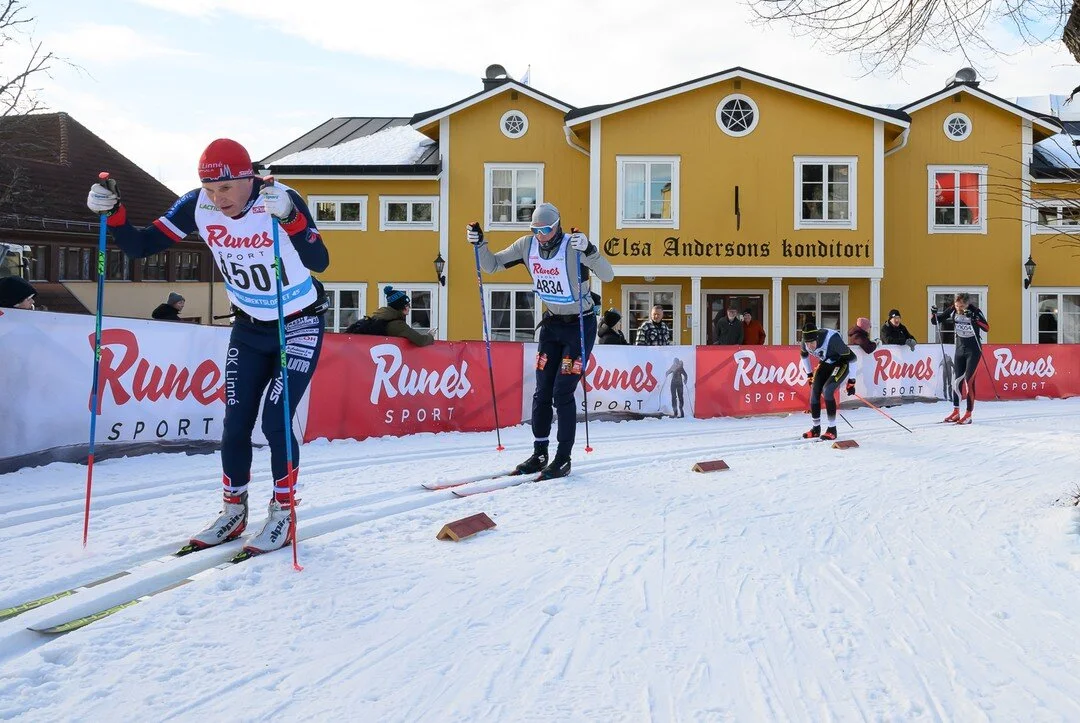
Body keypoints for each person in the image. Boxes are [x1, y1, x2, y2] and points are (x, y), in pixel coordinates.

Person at [86, 138, 331, 555]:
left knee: (275, 420)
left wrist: (290, 219)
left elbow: (319, 259)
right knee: (235, 422)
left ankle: (283, 512)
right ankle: (233, 510)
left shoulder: (279, 197)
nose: (219, 200)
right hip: (249, 328)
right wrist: (114, 213)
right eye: (211, 190)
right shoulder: (196, 205)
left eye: (227, 189)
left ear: (249, 178)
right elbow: (141, 247)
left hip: (298, 325)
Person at [467, 202, 614, 479]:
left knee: (562, 391)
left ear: (557, 225)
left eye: (545, 229)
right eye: (535, 229)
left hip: (579, 327)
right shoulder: (527, 245)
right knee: (542, 391)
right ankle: (540, 452)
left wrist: (590, 251)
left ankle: (563, 457)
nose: (540, 235)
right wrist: (480, 243)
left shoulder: (574, 246)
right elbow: (492, 266)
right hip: (551, 327)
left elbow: (608, 274)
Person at [931, 293, 989, 424]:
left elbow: (986, 327)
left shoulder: (975, 311)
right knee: (956, 381)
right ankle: (956, 411)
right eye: (957, 305)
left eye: (961, 306)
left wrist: (974, 319)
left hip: (973, 350)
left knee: (969, 381)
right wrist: (933, 313)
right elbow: (936, 321)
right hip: (959, 349)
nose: (959, 308)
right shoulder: (952, 309)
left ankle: (968, 414)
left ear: (967, 304)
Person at [799, 321, 859, 441]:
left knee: (828, 391)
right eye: (807, 343)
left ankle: (832, 429)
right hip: (826, 362)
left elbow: (853, 359)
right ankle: (816, 429)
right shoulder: (805, 342)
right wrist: (809, 375)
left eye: (812, 343)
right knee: (814, 392)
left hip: (840, 363)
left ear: (817, 338)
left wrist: (852, 381)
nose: (810, 346)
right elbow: (804, 356)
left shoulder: (832, 340)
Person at [345, 286, 434, 346]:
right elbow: (420, 340)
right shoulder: (398, 325)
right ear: (401, 307)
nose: (409, 307)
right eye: (407, 305)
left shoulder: (379, 317)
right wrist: (430, 336)